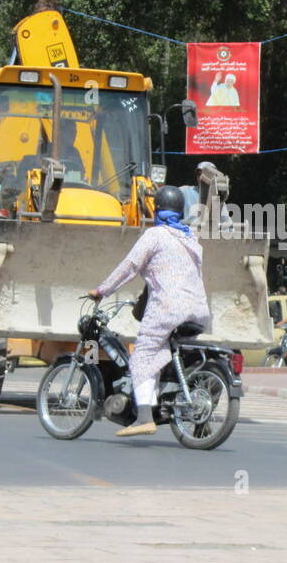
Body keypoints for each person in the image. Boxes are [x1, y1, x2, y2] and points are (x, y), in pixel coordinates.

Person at [89, 184, 211, 436]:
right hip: (199, 309)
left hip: (168, 308)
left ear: (157, 208)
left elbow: (129, 267)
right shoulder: (190, 238)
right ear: (181, 210)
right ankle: (168, 403)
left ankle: (144, 417)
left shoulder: (154, 236)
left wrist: (102, 291)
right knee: (162, 352)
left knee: (143, 354)